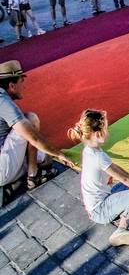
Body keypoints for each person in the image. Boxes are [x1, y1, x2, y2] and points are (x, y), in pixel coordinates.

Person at [69, 109, 129, 246]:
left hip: (97, 206)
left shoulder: (89, 150)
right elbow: (125, 179)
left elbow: (120, 172)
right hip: (100, 210)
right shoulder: (98, 156)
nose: (108, 132)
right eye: (106, 129)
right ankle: (121, 230)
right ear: (98, 133)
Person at [0, 61, 78, 191]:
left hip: (4, 160)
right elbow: (33, 137)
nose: (24, 87)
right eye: (21, 82)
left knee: (43, 157)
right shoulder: (3, 102)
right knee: (31, 119)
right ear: (12, 85)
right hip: (3, 170)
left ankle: (16, 183)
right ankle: (32, 176)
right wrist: (58, 154)